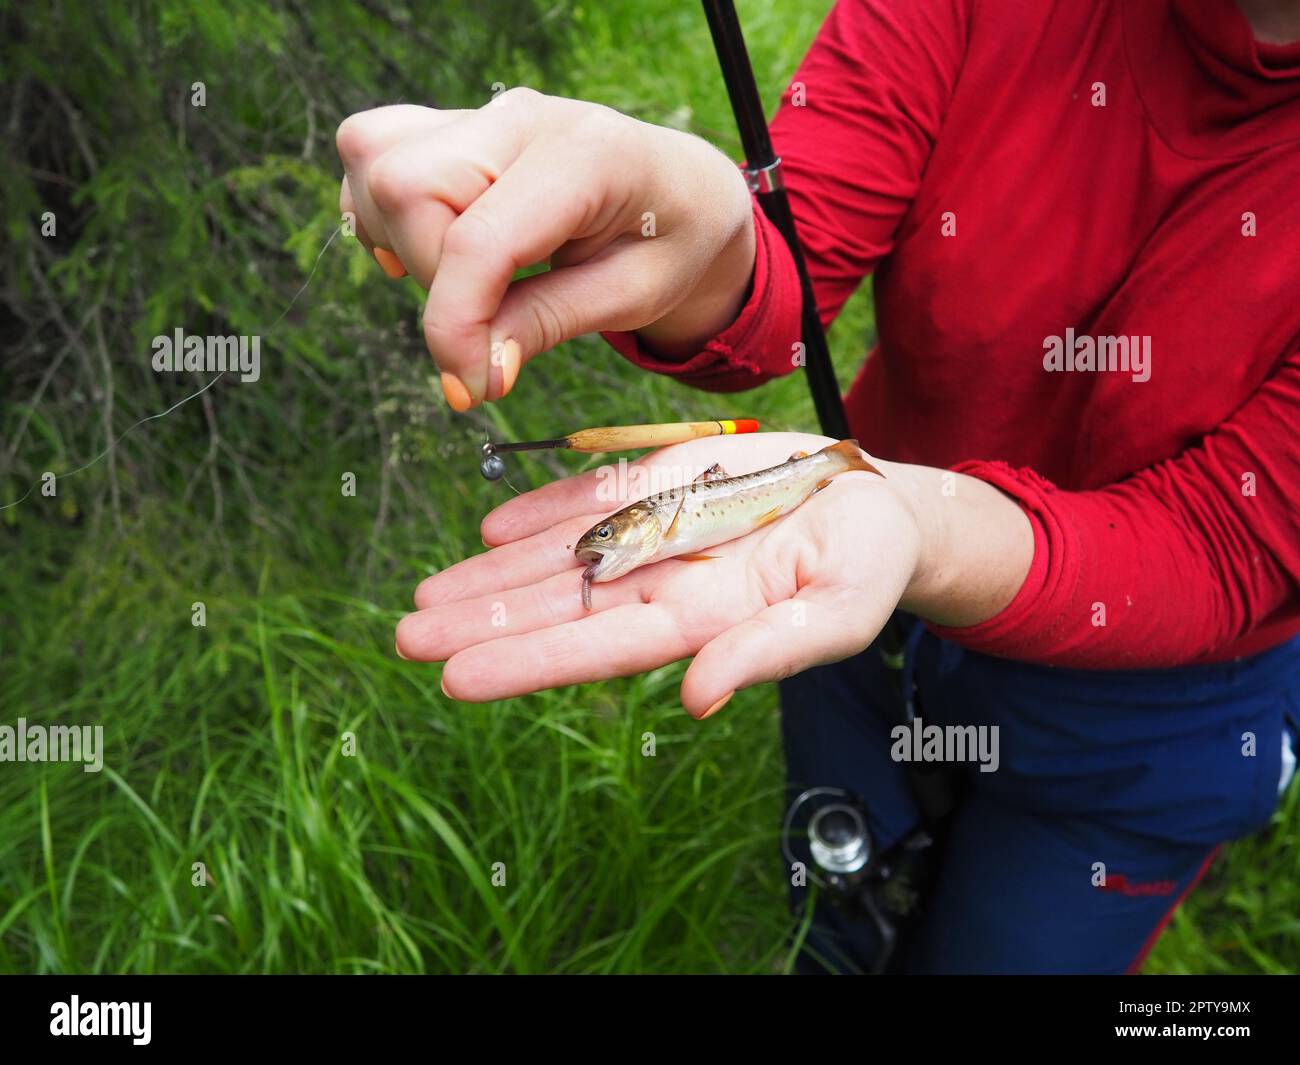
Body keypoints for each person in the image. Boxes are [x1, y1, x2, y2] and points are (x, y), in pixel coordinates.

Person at [337, 0, 1300, 973]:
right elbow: (789, 273)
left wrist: (918, 527)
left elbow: (1220, 542)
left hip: (1145, 722)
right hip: (842, 595)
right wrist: (700, 239)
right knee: (831, 926)